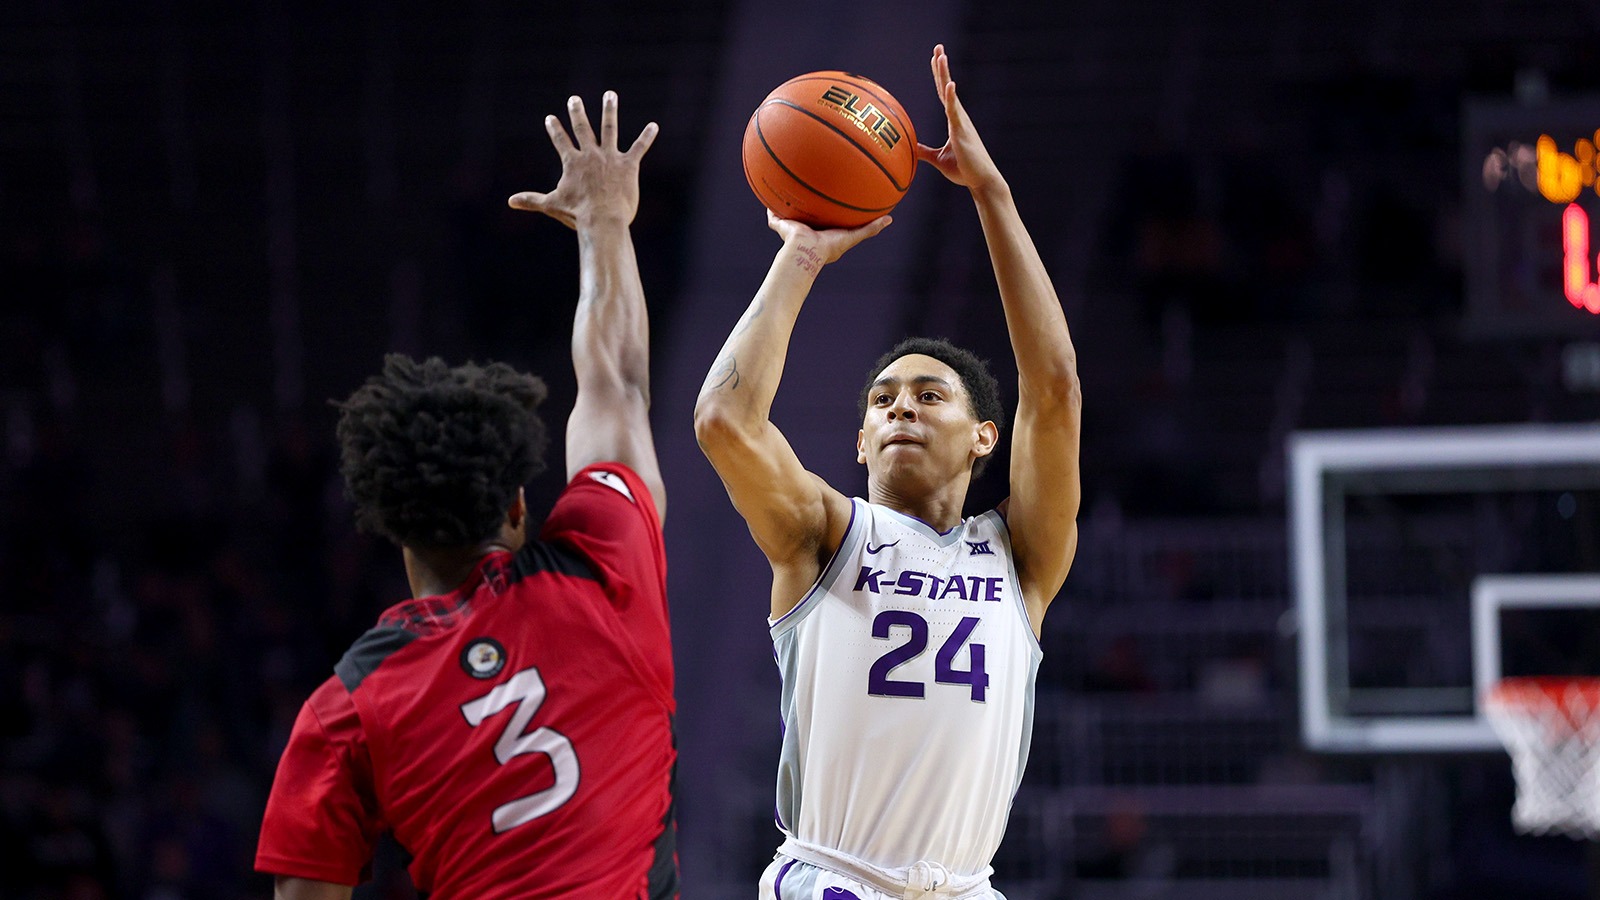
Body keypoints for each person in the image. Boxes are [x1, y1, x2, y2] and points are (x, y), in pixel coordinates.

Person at [255, 92, 678, 900]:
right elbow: (618, 386)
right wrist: (604, 222)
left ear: (390, 526)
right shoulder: (604, 568)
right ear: (518, 504)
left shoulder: (346, 706)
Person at [693, 45, 1081, 899]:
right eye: (881, 400)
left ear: (985, 437)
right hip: (837, 880)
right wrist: (800, 256)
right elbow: (723, 420)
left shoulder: (1020, 559)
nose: (901, 407)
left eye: (928, 395)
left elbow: (1054, 388)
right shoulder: (825, 534)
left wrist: (992, 194)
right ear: (861, 443)